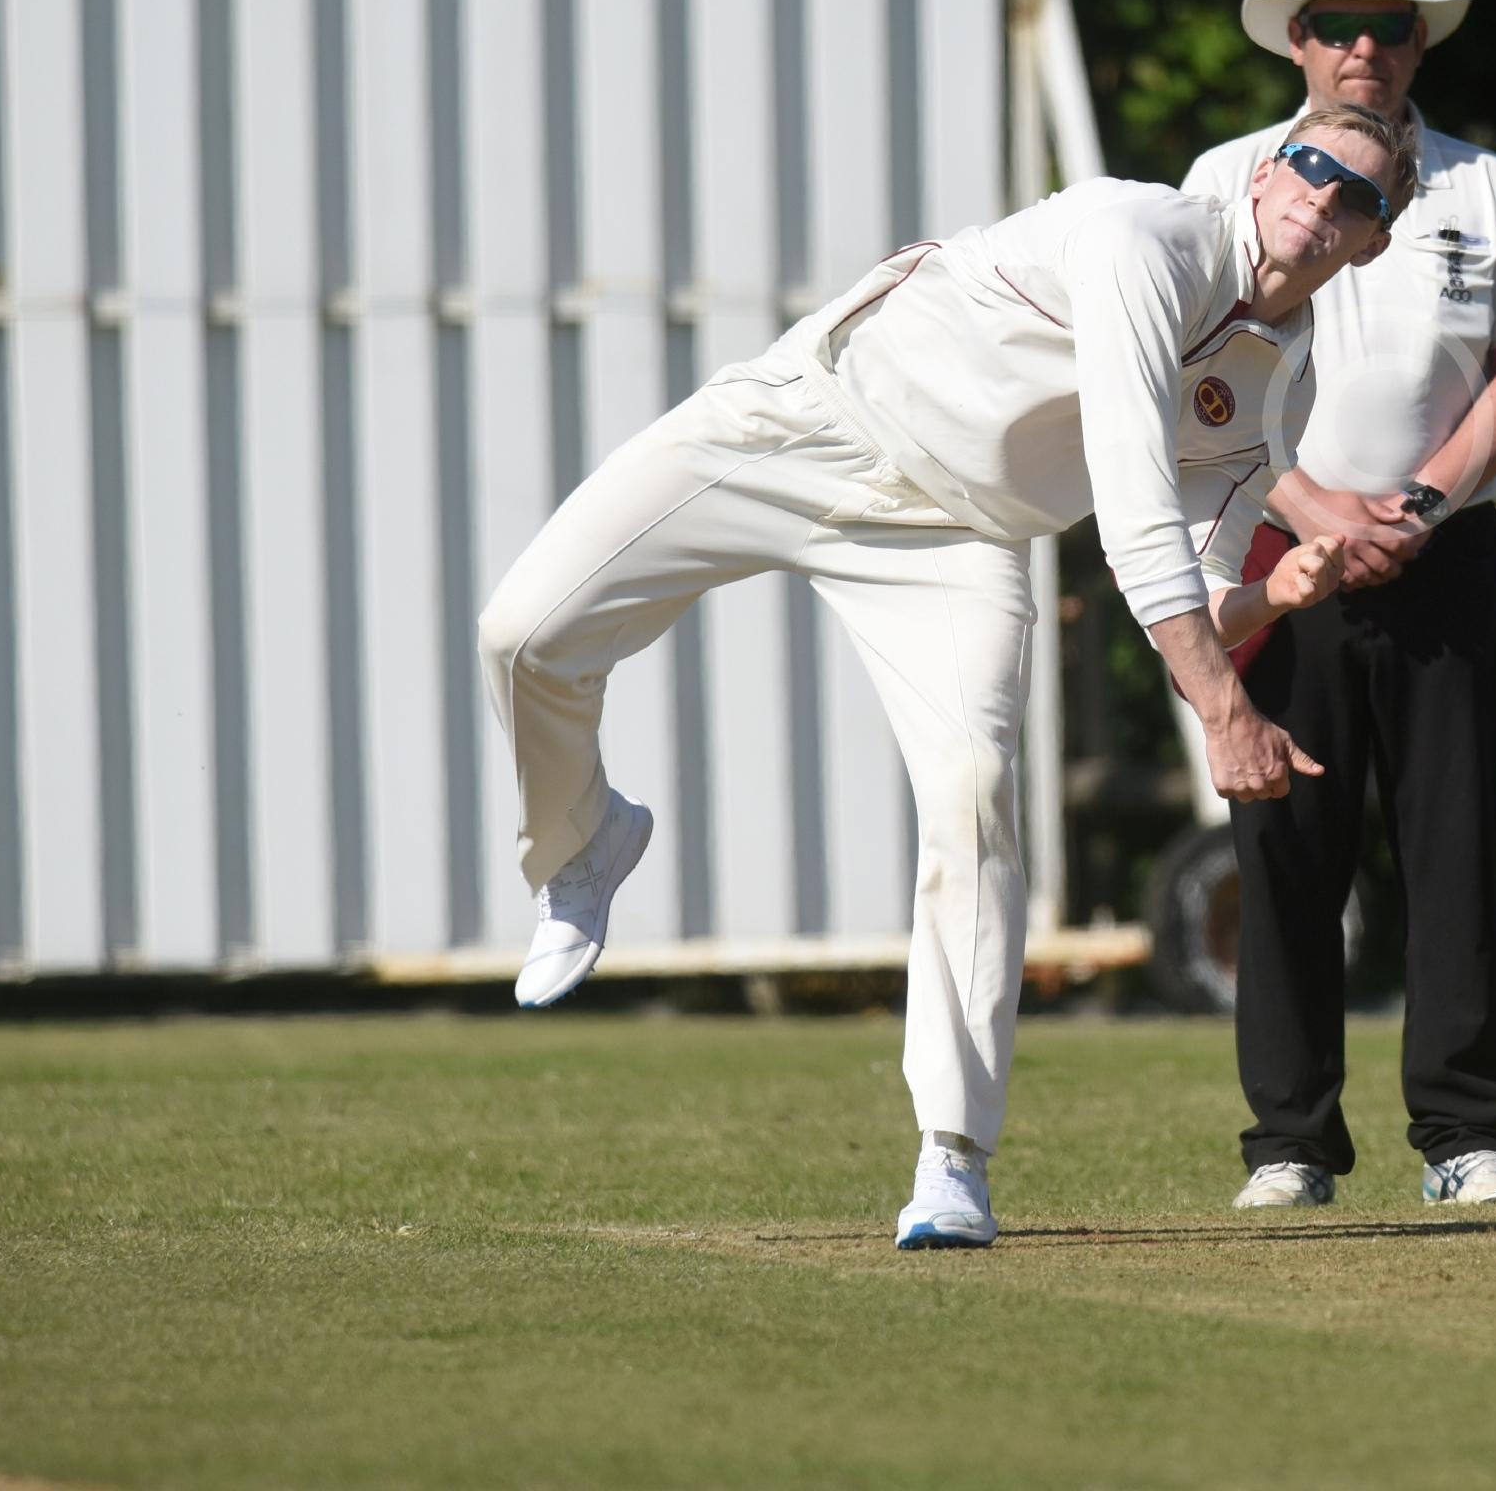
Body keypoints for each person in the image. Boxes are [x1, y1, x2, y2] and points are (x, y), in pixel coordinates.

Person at [476, 105, 1411, 1249]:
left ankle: (951, 1160)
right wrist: (1228, 714)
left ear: (1373, 240)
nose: (1321, 201)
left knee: (974, 795)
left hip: (957, 537)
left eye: (1356, 197)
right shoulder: (1143, 239)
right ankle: (582, 841)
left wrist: (1271, 597)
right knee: (522, 634)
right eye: (1309, 168)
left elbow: (1202, 594)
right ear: (1265, 173)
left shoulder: (1275, 392)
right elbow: (1131, 517)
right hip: (807, 418)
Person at [1182, 0, 1496, 1209]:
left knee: (1449, 842)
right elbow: (1196, 373)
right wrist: (1309, 507)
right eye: (1338, 25)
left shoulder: (1483, 185)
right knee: (1284, 843)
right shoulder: (1227, 177)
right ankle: (1289, 1143)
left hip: (1437, 552)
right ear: (1294, 39)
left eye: (1389, 26)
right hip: (1270, 544)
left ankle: (1465, 1133)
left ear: (1418, 43)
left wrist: (1420, 503)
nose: (1364, 47)